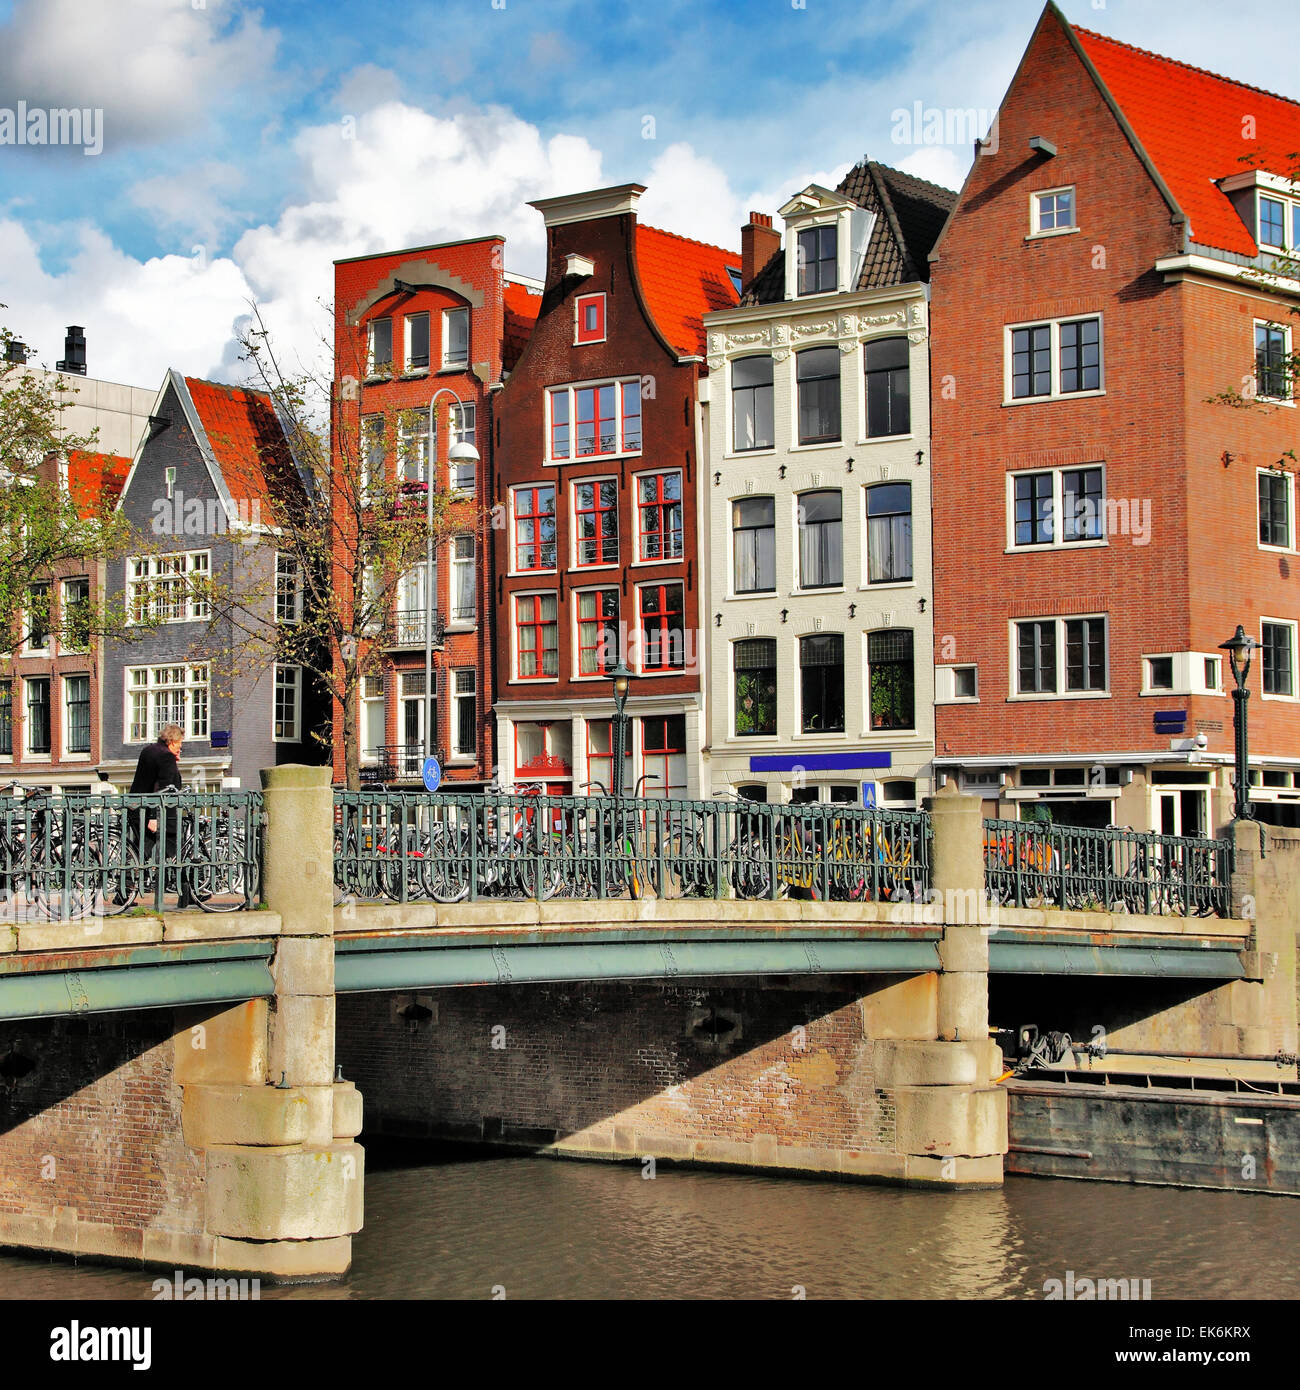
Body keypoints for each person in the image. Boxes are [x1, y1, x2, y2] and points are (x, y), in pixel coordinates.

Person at [128, 725, 196, 908]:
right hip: (160, 814)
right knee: (169, 851)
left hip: (137, 808)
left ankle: (123, 894)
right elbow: (162, 789)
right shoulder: (166, 757)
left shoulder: (149, 750)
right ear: (172, 741)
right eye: (179, 744)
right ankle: (187, 894)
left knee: (140, 852)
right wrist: (154, 817)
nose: (180, 748)